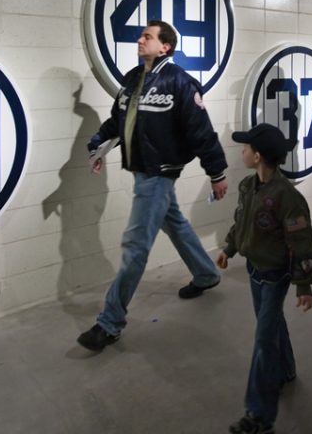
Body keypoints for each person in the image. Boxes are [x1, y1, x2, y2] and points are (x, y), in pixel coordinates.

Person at [77, 20, 228, 352]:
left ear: (166, 47)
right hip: (141, 170)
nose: (140, 39)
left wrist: (216, 174)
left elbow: (202, 132)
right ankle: (206, 274)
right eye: (142, 35)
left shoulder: (181, 83)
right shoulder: (133, 79)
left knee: (135, 246)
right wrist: (98, 144)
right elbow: (119, 120)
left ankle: (110, 322)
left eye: (148, 36)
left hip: (160, 173)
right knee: (175, 223)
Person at [217, 123, 312, 434]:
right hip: (254, 272)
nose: (242, 151)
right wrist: (229, 247)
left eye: (245, 148)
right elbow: (242, 223)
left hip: (276, 276)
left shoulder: (288, 198)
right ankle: (286, 370)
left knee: (263, 342)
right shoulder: (249, 187)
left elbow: (303, 244)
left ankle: (259, 416)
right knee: (272, 324)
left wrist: (304, 284)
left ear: (258, 155)